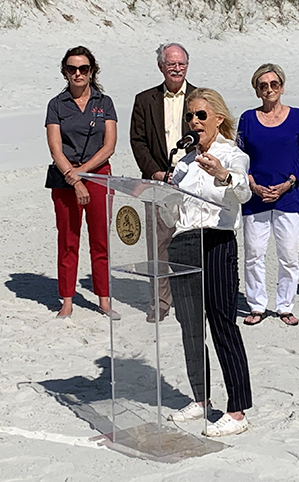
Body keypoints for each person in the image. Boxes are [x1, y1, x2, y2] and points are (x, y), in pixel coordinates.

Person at [164, 88, 253, 437]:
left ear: (218, 117)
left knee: (221, 322)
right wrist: (165, 193)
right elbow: (172, 213)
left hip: (217, 241)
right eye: (190, 116)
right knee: (189, 324)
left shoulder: (233, 155)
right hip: (184, 242)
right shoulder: (183, 162)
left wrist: (222, 175)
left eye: (201, 115)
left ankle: (237, 410)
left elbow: (244, 193)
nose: (195, 122)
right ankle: (201, 399)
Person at [238, 63, 299, 327]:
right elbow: (240, 156)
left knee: (288, 254)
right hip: (255, 195)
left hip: (289, 196)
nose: (269, 89)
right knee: (254, 254)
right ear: (257, 90)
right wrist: (251, 184)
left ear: (282, 86)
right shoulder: (247, 118)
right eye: (263, 85)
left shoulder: (298, 117)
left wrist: (288, 183)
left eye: (274, 84)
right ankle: (257, 305)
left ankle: (285, 306)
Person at [45, 46, 118, 319]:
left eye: (83, 68)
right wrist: (74, 178)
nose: (78, 74)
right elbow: (55, 148)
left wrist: (84, 174)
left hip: (98, 175)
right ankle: (66, 300)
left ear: (91, 71)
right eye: (72, 69)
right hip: (65, 178)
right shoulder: (56, 104)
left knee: (101, 240)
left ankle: (104, 298)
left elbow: (109, 145)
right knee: (68, 240)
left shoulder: (104, 102)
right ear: (65, 71)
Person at [130, 42, 197, 322]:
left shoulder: (200, 97)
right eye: (171, 64)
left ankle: (193, 298)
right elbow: (138, 142)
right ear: (161, 66)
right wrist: (156, 173)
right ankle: (160, 301)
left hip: (193, 182)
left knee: (191, 242)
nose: (176, 69)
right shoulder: (145, 99)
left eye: (181, 64)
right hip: (157, 182)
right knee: (158, 245)